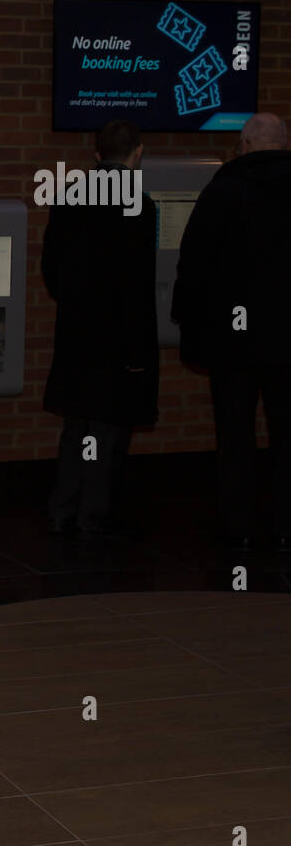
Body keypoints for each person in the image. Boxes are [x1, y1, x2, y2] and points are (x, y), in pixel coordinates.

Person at [172, 112, 291, 550]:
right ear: (284, 144)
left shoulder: (222, 189)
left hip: (233, 340)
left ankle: (238, 524)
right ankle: (285, 524)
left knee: (235, 432)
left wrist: (189, 324)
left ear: (243, 145)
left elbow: (195, 264)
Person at [42, 120, 158, 538]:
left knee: (76, 426)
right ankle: (94, 515)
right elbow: (139, 285)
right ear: (137, 152)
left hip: (77, 334)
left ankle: (63, 507)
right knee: (109, 431)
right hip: (119, 337)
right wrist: (139, 352)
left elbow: (51, 270)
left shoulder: (69, 198)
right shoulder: (140, 207)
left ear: (96, 154)